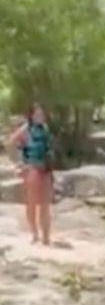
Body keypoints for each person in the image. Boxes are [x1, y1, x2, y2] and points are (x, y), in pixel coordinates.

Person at [8, 104, 54, 245]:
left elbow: (49, 148)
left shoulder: (45, 129)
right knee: (32, 203)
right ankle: (35, 233)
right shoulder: (26, 130)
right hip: (32, 168)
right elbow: (11, 142)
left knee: (46, 203)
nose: (40, 117)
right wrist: (19, 163)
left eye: (42, 114)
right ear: (32, 116)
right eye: (37, 114)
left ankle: (46, 236)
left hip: (45, 168)